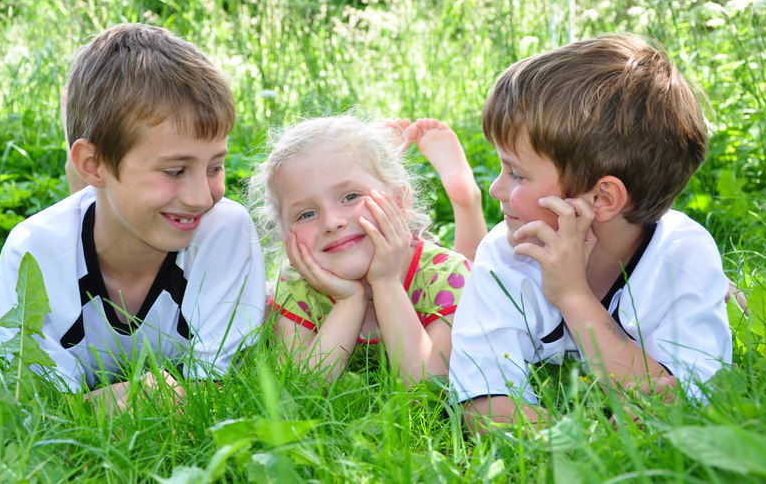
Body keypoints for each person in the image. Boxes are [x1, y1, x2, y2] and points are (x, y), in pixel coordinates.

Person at [449, 34, 732, 431]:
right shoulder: (507, 252)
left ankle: (726, 295)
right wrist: (580, 444)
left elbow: (681, 402)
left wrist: (573, 297)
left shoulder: (683, 257)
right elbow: (481, 402)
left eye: (516, 173)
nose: (495, 189)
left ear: (600, 199)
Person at [0, 24, 266, 408]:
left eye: (215, 167)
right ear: (93, 163)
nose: (203, 198)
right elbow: (44, 408)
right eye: (174, 171)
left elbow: (220, 391)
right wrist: (106, 403)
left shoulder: (226, 230)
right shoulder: (32, 254)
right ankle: (87, 174)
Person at [248, 115, 487, 383]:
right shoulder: (295, 289)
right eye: (307, 214)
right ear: (284, 235)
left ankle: (465, 199)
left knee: (483, 278)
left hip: (441, 274)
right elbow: (301, 392)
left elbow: (428, 390)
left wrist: (385, 282)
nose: (332, 222)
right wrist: (349, 301)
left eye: (351, 196)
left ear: (399, 200)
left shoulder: (444, 278)